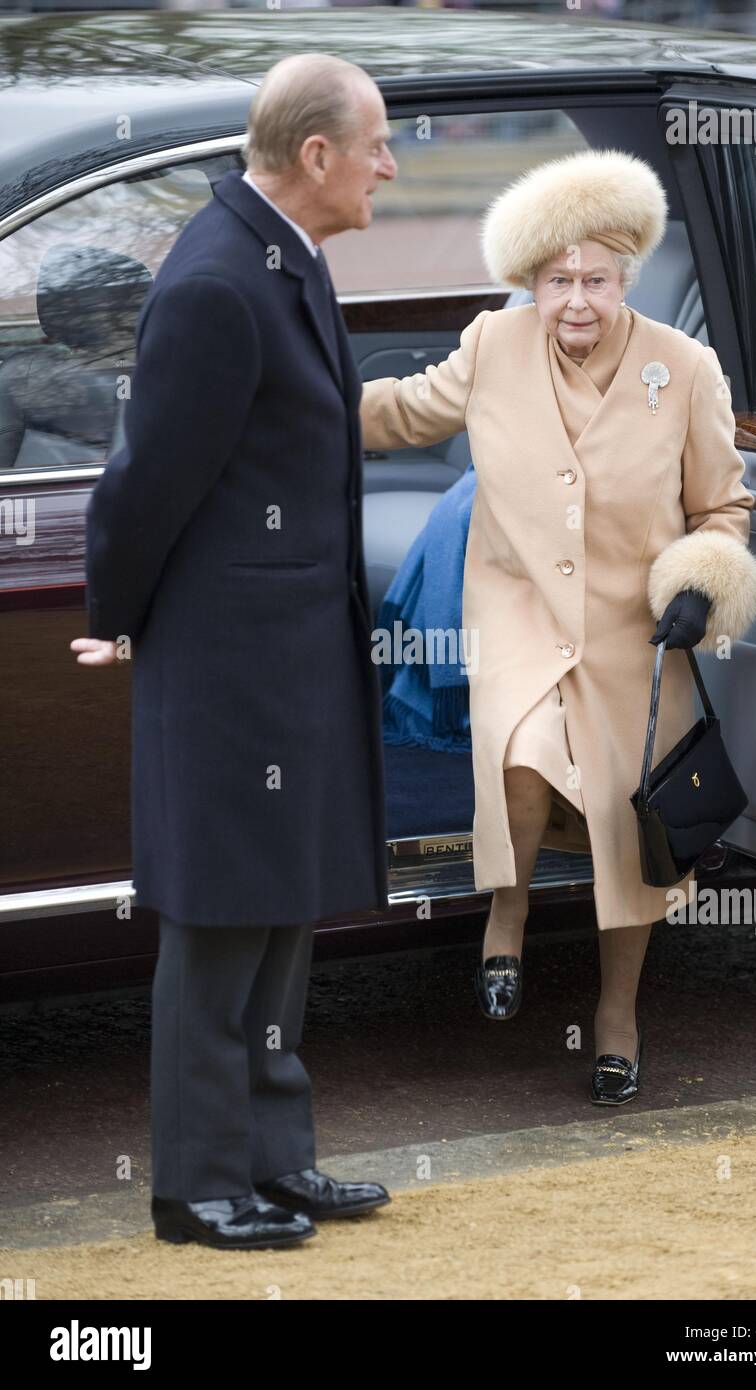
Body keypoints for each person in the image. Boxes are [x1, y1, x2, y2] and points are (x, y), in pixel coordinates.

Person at [71, 53, 398, 1249]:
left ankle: (273, 1158)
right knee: (218, 925)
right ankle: (197, 1185)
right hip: (227, 663)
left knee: (280, 909)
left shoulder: (277, 255)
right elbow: (144, 481)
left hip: (287, 651)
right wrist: (116, 615)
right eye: (376, 144)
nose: (389, 165)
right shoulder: (218, 282)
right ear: (315, 156)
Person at [359, 148, 756, 1105]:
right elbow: (406, 410)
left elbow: (723, 508)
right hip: (518, 610)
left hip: (633, 631)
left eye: (594, 279)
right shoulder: (493, 347)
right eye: (554, 281)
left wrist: (702, 585)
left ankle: (617, 1015)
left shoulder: (684, 365)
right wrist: (287, 393)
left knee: (632, 836)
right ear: (528, 282)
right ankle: (504, 914)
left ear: (625, 276)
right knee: (521, 756)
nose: (575, 300)